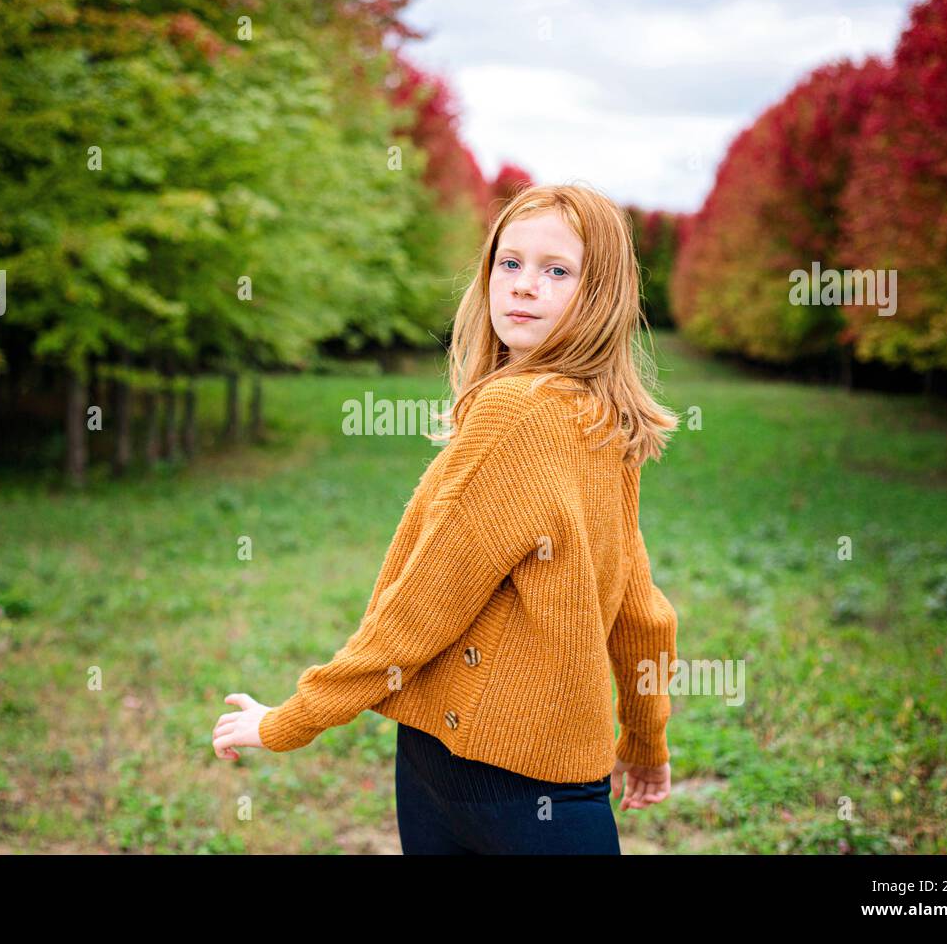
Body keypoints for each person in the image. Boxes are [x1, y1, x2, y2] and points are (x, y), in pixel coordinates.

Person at [213, 182, 679, 854]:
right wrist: (644, 737)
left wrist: (294, 717)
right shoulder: (603, 421)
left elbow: (423, 605)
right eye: (509, 262)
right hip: (507, 775)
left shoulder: (522, 412)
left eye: (557, 270)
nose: (523, 285)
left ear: (600, 294)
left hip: (481, 776)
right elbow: (645, 612)